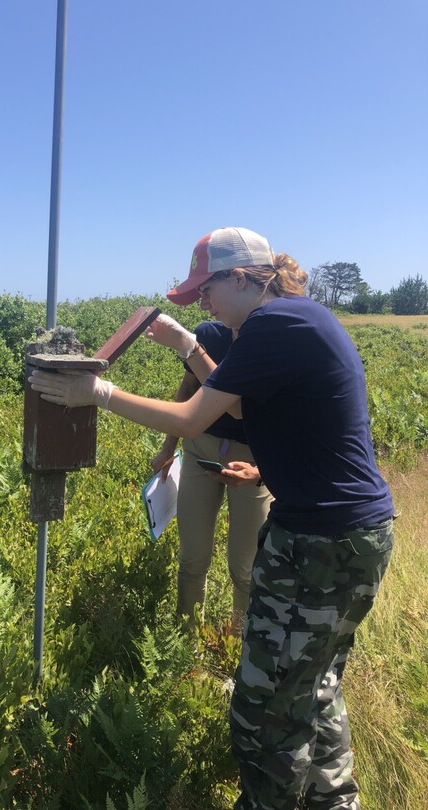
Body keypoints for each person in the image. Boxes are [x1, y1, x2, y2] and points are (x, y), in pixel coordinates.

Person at [30, 226, 394, 809]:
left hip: (322, 543)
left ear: (244, 278)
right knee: (313, 687)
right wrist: (269, 470)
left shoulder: (274, 324)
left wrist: (96, 394)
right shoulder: (296, 321)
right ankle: (333, 801)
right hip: (342, 532)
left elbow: (192, 419)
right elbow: (262, 411)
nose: (203, 303)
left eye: (207, 289)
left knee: (265, 710)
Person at [151, 317, 272, 633]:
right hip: (199, 450)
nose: (208, 302)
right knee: (192, 557)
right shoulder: (209, 335)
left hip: (252, 458)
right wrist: (168, 448)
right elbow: (188, 390)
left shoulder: (272, 341)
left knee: (245, 568)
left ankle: (241, 648)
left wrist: (264, 470)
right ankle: (184, 640)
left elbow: (252, 408)